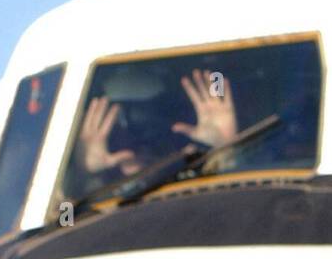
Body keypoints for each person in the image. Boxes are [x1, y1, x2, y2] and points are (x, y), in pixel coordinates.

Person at [68, 68, 238, 196]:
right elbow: (62, 224)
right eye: (117, 125)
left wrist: (223, 151)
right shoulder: (86, 206)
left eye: (148, 120)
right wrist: (84, 176)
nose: (136, 140)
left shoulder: (191, 183)